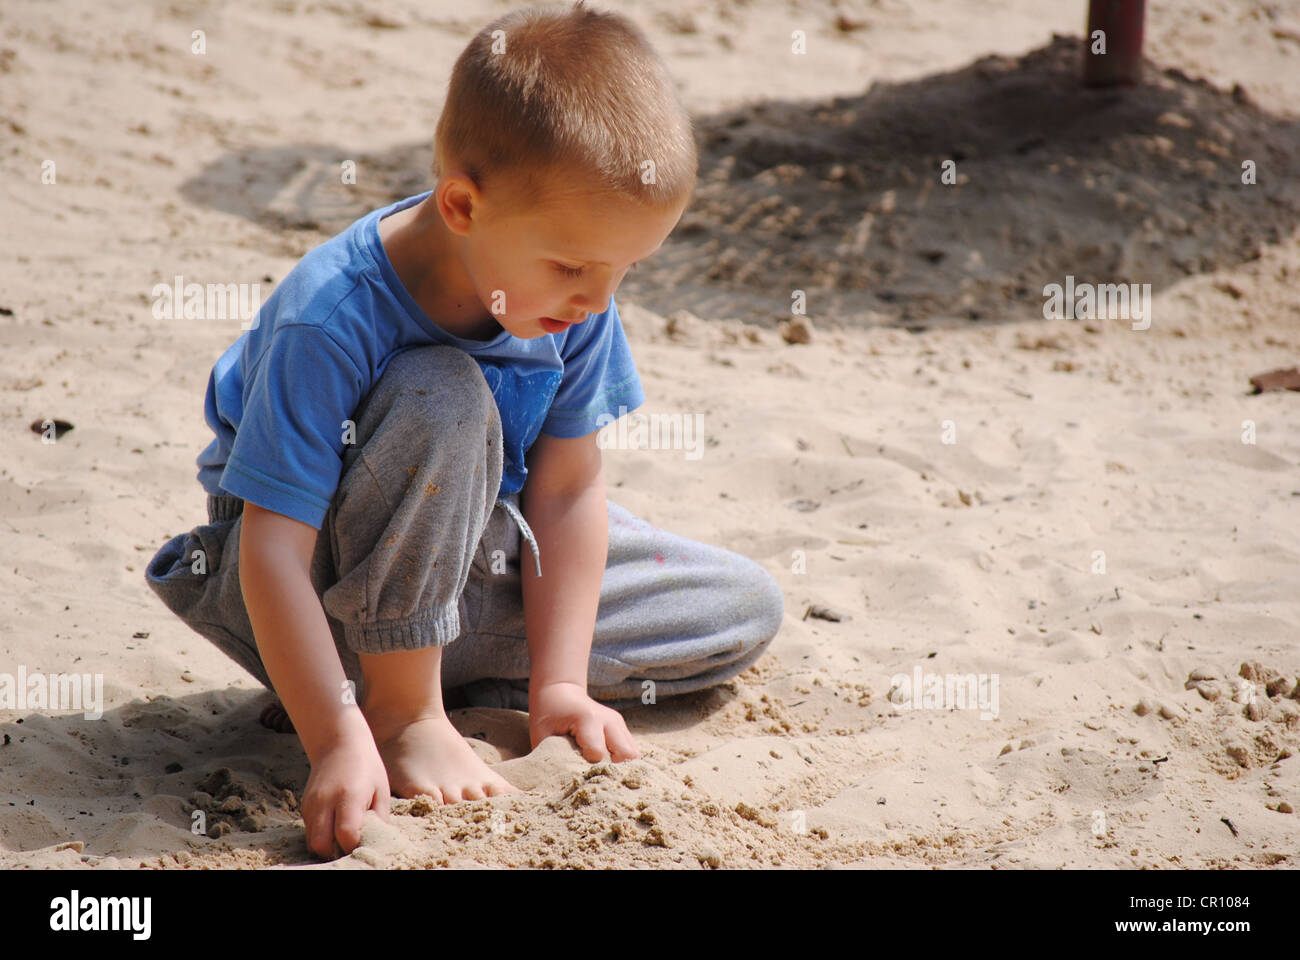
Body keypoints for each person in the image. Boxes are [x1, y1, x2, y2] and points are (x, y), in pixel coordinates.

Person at [144, 0, 784, 859]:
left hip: (472, 556)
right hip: (300, 587)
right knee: (445, 392)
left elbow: (565, 491)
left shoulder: (575, 303)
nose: (596, 300)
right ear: (461, 206)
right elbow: (271, 550)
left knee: (738, 605)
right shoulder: (331, 317)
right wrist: (338, 741)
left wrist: (560, 687)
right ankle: (400, 708)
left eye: (624, 269)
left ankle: (445, 674)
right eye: (571, 266)